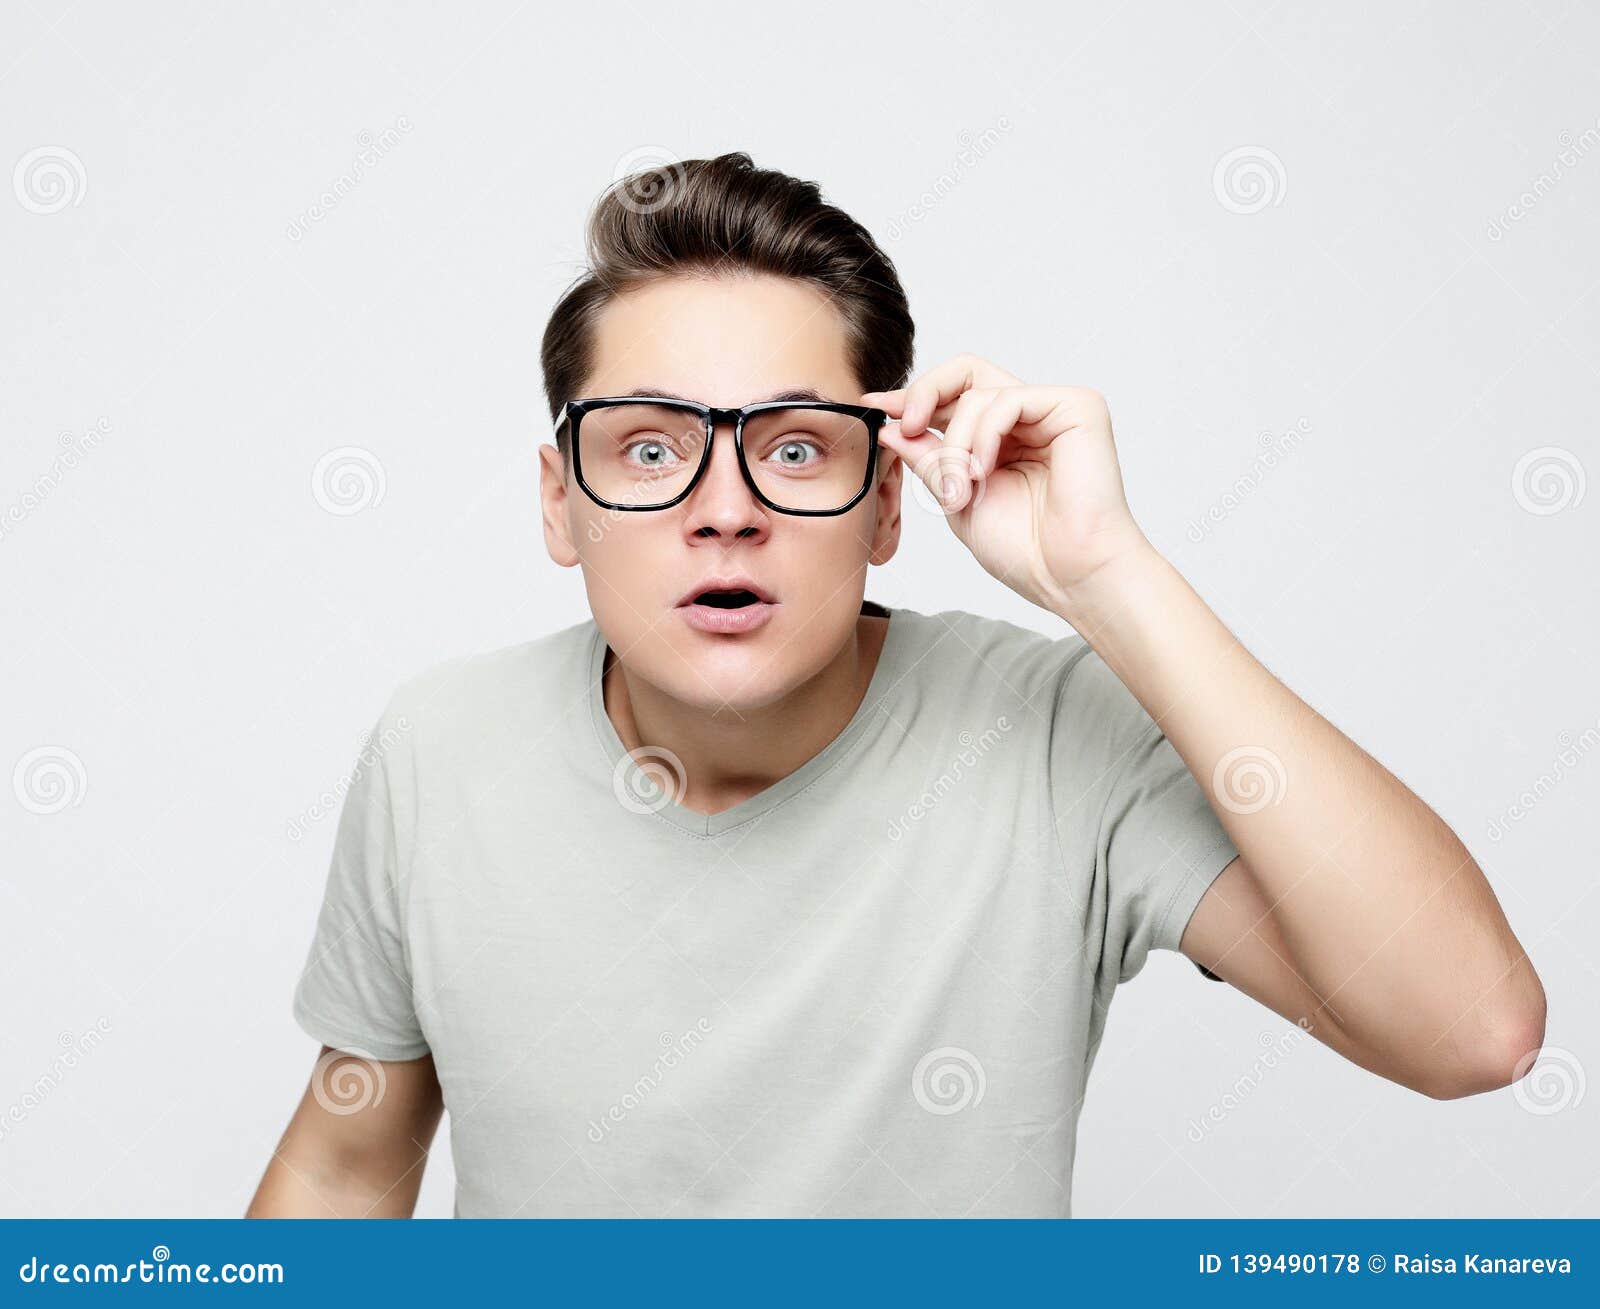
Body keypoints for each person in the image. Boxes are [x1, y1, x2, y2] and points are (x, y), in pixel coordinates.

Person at [248, 152, 1545, 1218]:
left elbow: (1472, 1029)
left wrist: (1111, 577)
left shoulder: (1052, 736)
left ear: (885, 504)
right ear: (559, 503)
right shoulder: (439, 748)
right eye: (648, 447)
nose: (723, 512)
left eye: (796, 448)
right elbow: (346, 1163)